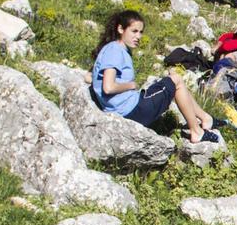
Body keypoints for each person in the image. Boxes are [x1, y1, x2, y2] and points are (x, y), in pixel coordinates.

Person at [91, 10, 218, 144]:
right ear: (121, 29)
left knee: (172, 81)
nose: (138, 36)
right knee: (176, 80)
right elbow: (108, 87)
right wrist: (130, 85)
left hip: (129, 108)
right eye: (134, 31)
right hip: (133, 111)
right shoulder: (115, 51)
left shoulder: (112, 48)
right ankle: (197, 131)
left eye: (140, 32)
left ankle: (205, 118)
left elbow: (92, 77)